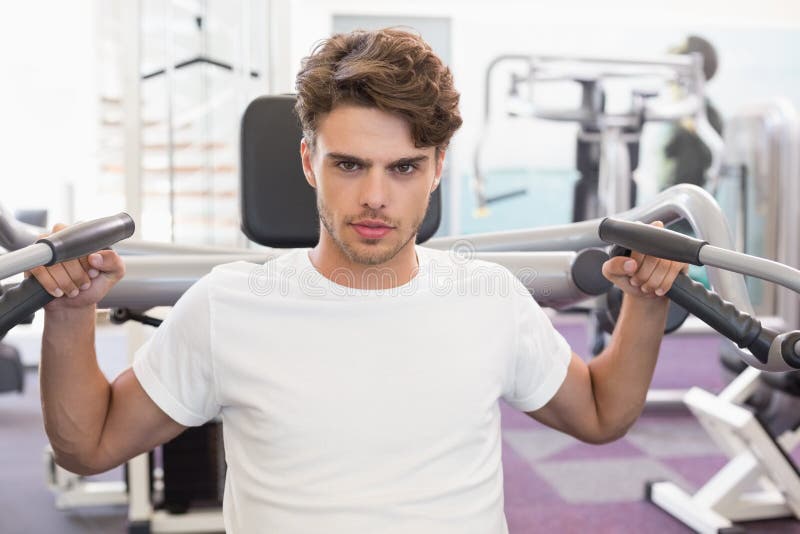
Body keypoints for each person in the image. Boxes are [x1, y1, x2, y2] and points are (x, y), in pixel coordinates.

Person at [34, 29, 687, 534]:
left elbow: (602, 414)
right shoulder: (228, 304)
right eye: (349, 164)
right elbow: (89, 445)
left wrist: (646, 298)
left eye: (403, 168)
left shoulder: (489, 297)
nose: (375, 197)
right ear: (309, 161)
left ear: (437, 168)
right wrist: (68, 310)